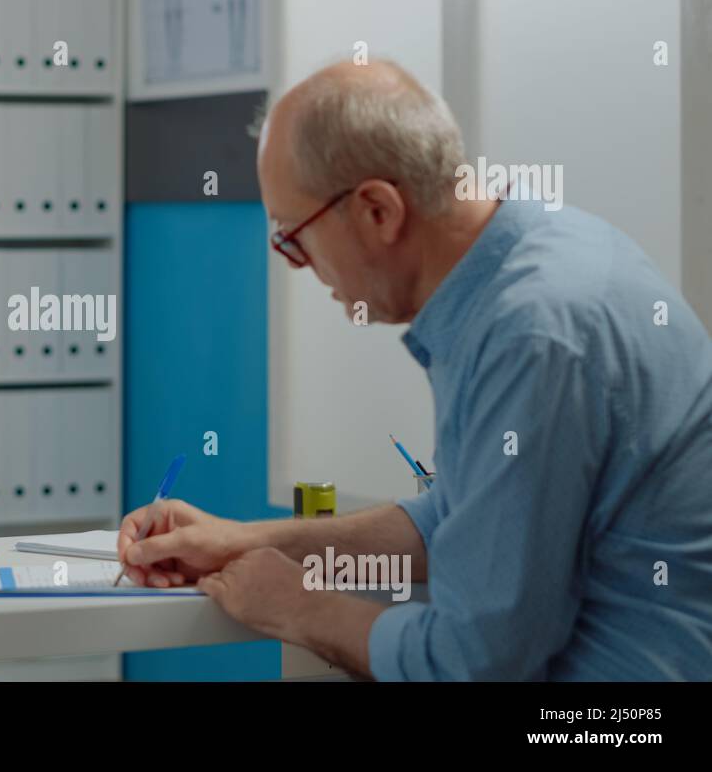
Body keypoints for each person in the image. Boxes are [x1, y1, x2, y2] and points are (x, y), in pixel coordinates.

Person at [118, 60, 712, 680]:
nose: (296, 265)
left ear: (378, 210)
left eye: (293, 237)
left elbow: (473, 661)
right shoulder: (532, 260)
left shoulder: (530, 332)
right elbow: (456, 518)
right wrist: (247, 542)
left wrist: (295, 605)